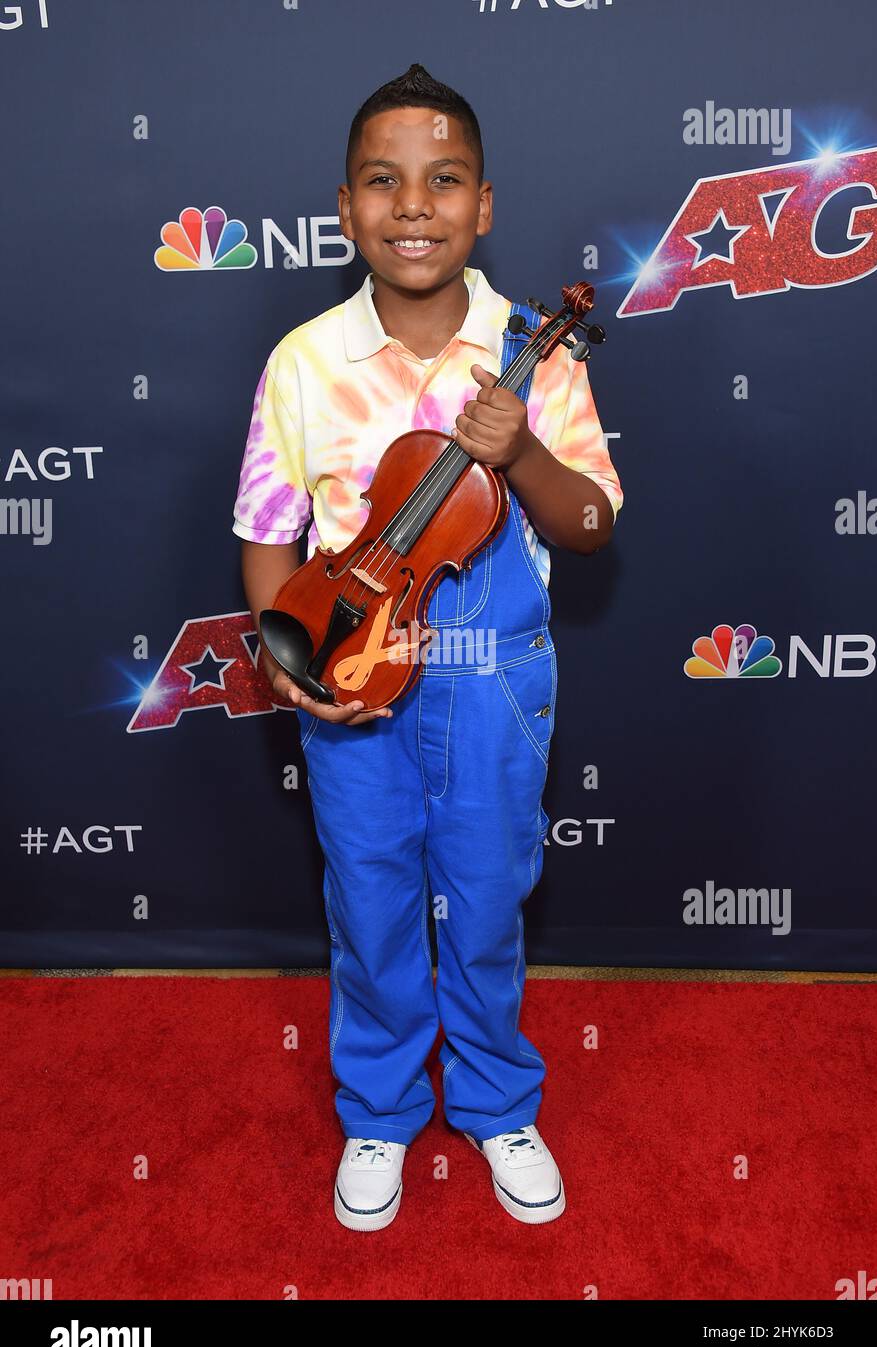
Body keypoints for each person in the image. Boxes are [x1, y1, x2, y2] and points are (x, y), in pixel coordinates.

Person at [234, 63, 623, 1231]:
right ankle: (379, 1107)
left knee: (491, 899)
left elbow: (591, 525)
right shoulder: (303, 360)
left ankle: (499, 1099)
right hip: (357, 691)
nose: (414, 206)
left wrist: (524, 456)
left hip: (496, 686)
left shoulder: (532, 348)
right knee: (369, 903)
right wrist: (285, 657)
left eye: (443, 181)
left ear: (484, 205)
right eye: (384, 183)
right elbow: (266, 532)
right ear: (345, 209)